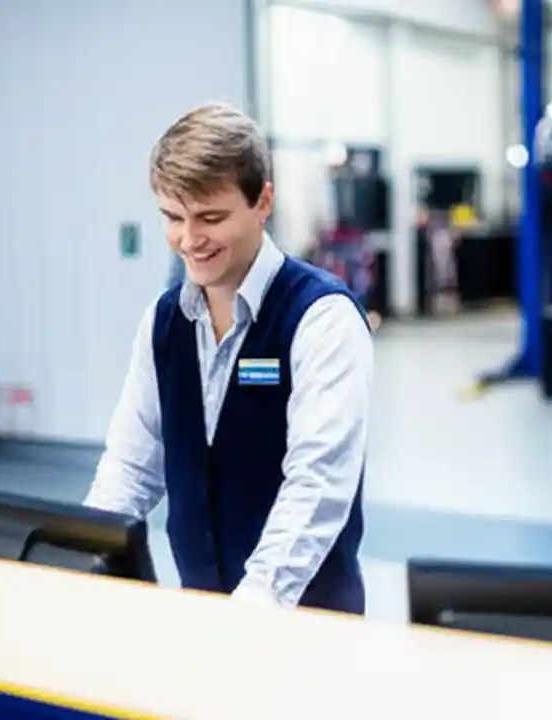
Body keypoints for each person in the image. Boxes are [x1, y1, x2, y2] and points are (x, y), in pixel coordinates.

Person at [84, 102, 373, 614]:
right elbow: (132, 465)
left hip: (305, 625)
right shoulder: (164, 321)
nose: (189, 240)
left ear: (263, 202)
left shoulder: (321, 318)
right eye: (173, 217)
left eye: (210, 218)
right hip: (205, 621)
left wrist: (254, 606)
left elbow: (318, 483)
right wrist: (78, 553)